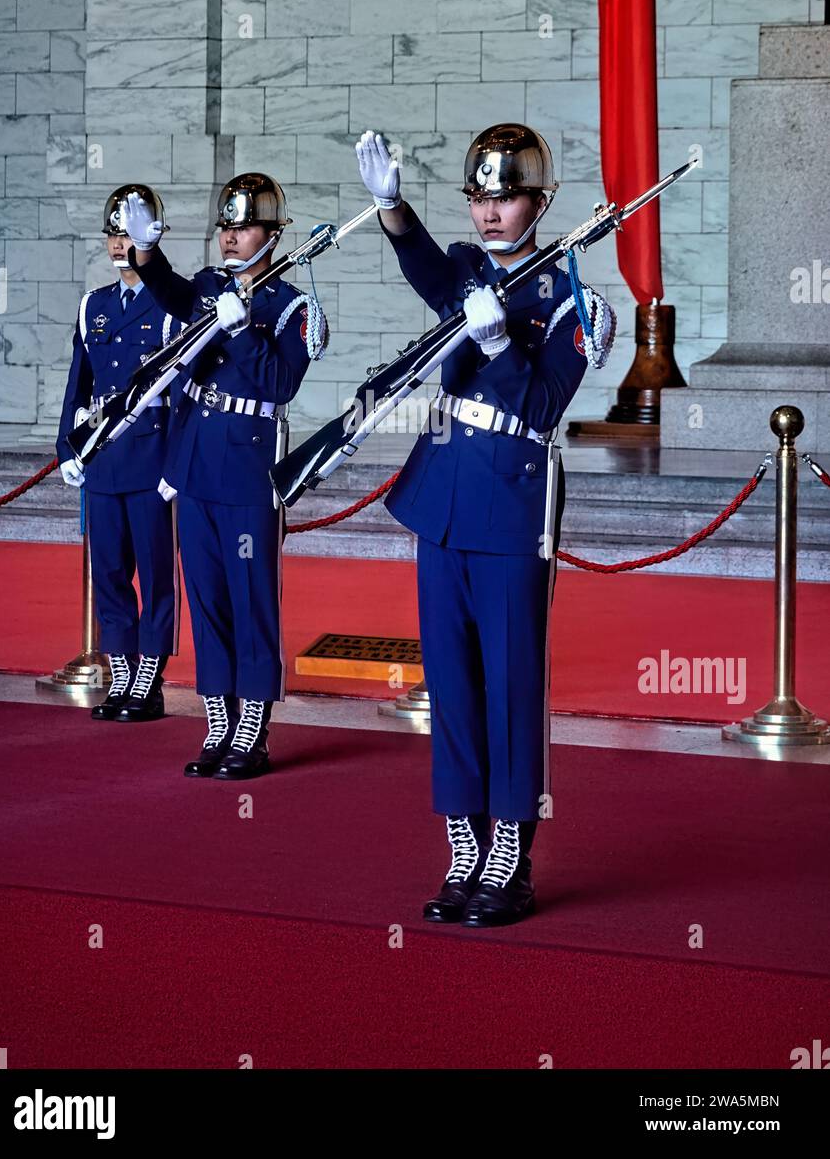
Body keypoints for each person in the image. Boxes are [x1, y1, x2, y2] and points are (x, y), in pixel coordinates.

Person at [355, 125, 613, 927]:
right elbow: (432, 271)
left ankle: (512, 851)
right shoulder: (466, 274)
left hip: (511, 502)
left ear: (541, 203)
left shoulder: (579, 303)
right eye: (478, 197)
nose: (489, 212)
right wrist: (394, 210)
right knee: (453, 684)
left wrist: (499, 340)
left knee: (511, 683)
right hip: (445, 496)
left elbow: (540, 406)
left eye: (504, 197)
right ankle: (464, 846)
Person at [125, 174, 327, 779]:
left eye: (243, 227)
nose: (231, 237)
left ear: (271, 233)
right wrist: (146, 253)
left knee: (251, 599)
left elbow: (279, 383)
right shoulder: (211, 288)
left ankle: (252, 729)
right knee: (208, 599)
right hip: (198, 459)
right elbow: (168, 294)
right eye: (225, 226)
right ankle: (218, 720)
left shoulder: (293, 306)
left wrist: (240, 328)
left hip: (247, 465)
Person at [56, 184, 181, 723]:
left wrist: (178, 465)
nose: (118, 243)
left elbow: (182, 395)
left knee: (154, 574)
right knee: (107, 571)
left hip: (152, 459)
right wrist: (68, 446)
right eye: (113, 232)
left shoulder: (172, 303)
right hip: (104, 459)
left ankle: (148, 679)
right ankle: (123, 673)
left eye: (128, 232)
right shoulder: (94, 306)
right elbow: (78, 385)